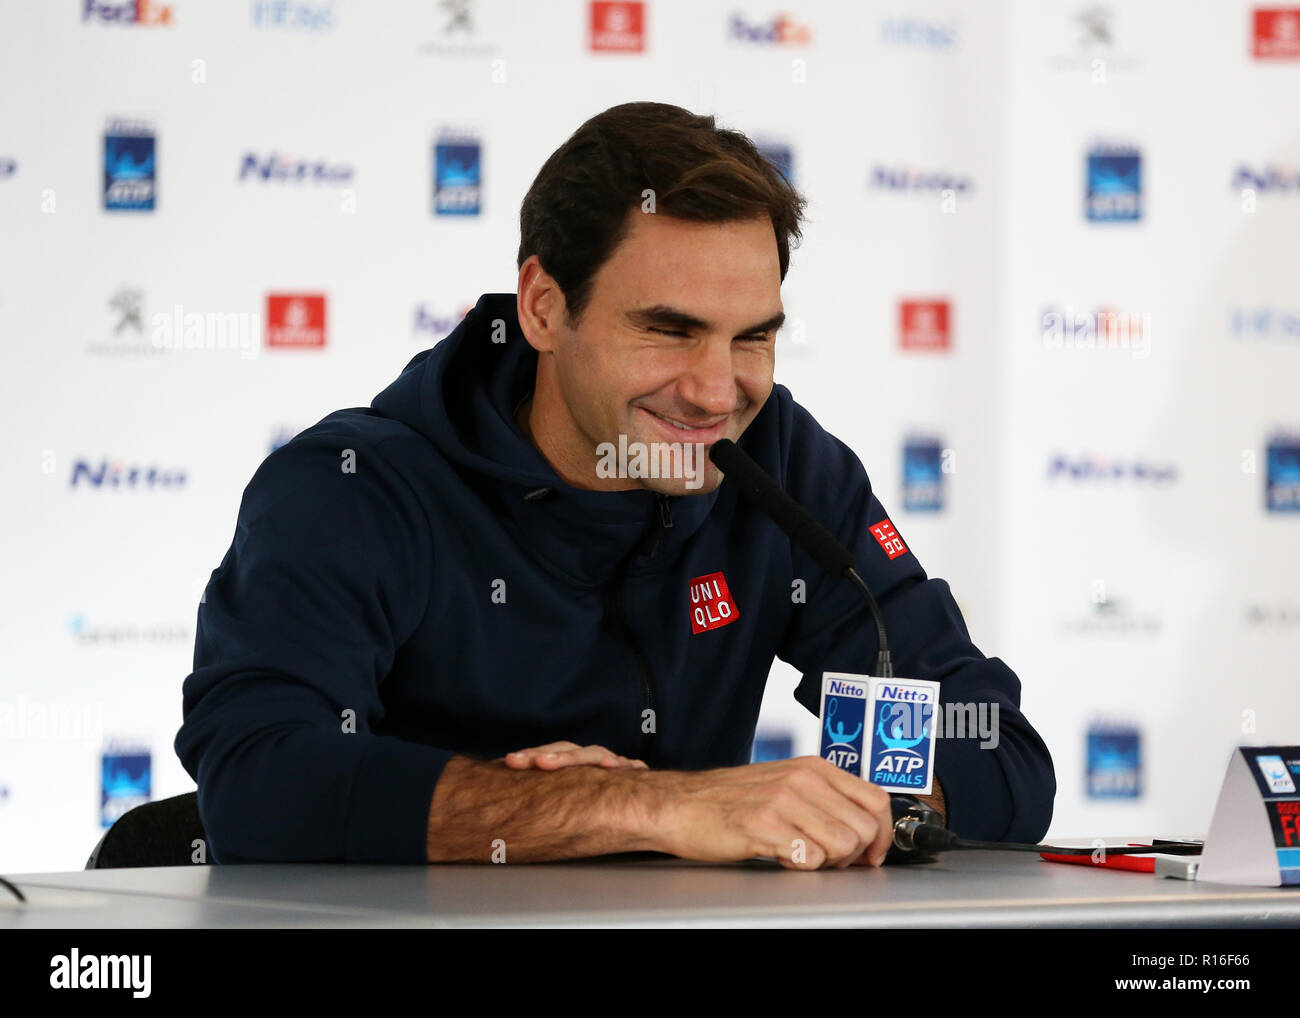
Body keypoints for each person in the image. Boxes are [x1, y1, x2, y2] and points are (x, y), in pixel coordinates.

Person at [175, 101, 1055, 870]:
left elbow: (999, 754)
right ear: (544, 307)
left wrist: (864, 804)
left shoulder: (781, 465)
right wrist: (655, 808)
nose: (718, 392)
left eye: (752, 337)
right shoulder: (355, 487)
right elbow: (262, 778)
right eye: (670, 331)